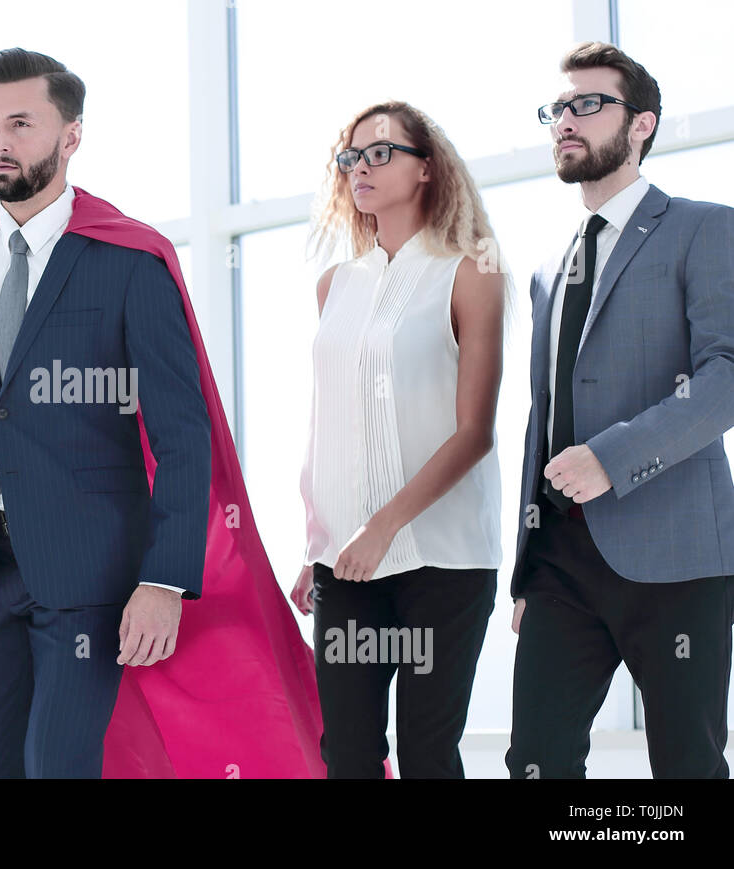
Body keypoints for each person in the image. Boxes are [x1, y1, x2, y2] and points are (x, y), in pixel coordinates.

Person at [0, 47, 333, 780]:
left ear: (71, 136)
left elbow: (182, 435)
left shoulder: (129, 259)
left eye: (21, 124)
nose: (0, 142)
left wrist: (165, 580)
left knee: (58, 765)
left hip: (89, 581)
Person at [508, 42, 734, 779]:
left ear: (642, 124)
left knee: (687, 766)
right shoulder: (549, 269)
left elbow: (727, 375)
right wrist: (527, 568)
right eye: (557, 109)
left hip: (676, 553)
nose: (565, 121)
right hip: (560, 562)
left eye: (587, 104)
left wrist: (613, 458)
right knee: (535, 761)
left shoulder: (704, 228)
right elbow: (543, 418)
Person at [293, 101, 507, 778]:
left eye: (381, 152)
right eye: (351, 156)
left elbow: (474, 432)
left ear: (426, 169)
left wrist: (382, 526)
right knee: (348, 755)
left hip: (444, 559)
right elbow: (329, 421)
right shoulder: (335, 285)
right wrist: (319, 544)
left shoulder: (471, 272)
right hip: (346, 563)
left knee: (426, 755)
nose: (361, 167)